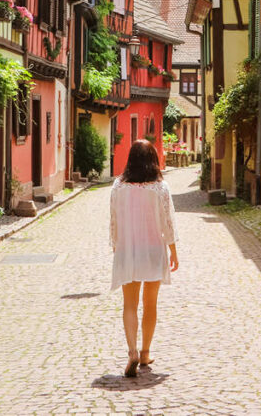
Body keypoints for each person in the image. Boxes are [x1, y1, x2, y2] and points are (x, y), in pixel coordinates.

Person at [109, 139, 179, 378]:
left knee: (129, 304)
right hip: (152, 251)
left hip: (128, 250)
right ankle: (145, 352)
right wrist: (173, 251)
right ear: (153, 160)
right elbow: (168, 223)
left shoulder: (118, 187)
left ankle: (131, 352)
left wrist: (117, 246)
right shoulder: (160, 188)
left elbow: (114, 220)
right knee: (150, 304)